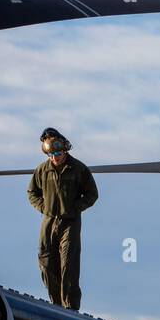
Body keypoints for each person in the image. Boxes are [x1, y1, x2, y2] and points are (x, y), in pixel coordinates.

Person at [27, 128, 98, 309]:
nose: (55, 157)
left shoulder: (79, 169)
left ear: (65, 149)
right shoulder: (42, 170)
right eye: (51, 154)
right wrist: (43, 207)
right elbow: (32, 192)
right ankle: (56, 304)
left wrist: (75, 208)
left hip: (70, 222)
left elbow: (92, 194)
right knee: (46, 262)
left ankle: (70, 307)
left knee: (69, 264)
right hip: (49, 222)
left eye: (57, 153)